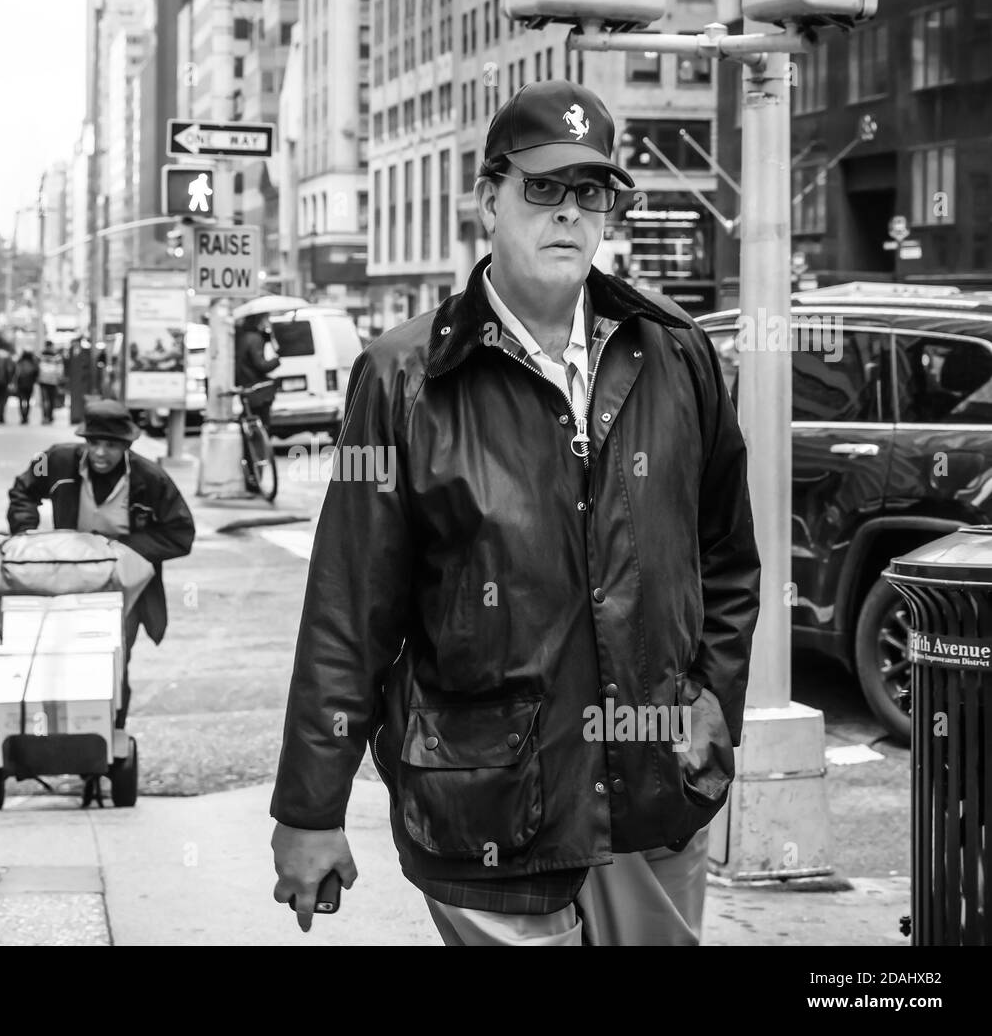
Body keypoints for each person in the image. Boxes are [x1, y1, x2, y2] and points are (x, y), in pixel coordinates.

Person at [268, 79, 761, 944]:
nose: (569, 212)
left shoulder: (677, 352)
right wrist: (311, 809)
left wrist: (708, 711)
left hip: (654, 797)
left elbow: (725, 557)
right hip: (483, 808)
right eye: (543, 187)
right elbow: (348, 607)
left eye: (591, 192)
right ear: (487, 198)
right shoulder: (398, 379)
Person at [7, 399, 195, 726]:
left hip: (124, 587)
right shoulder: (55, 460)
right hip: (65, 578)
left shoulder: (151, 479)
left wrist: (117, 549)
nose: (100, 453)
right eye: (94, 443)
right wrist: (27, 533)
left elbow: (180, 532)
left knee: (112, 660)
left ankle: (110, 734)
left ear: (126, 446)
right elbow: (23, 490)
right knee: (63, 655)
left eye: (111, 445)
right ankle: (69, 729)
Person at [234, 316, 280, 432]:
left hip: (246, 384)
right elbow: (261, 364)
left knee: (250, 418)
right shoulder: (254, 338)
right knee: (261, 422)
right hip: (256, 388)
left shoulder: (244, 336)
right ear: (260, 321)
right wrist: (277, 360)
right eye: (266, 318)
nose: (268, 321)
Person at [37, 340, 64, 424]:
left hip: (43, 380)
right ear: (52, 346)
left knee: (45, 399)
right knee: (51, 399)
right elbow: (60, 368)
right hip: (53, 380)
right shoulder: (57, 356)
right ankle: (50, 416)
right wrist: (59, 378)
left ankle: (45, 416)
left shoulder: (41, 355)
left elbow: (37, 367)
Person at [14, 349, 39, 425]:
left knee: (21, 401)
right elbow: (36, 373)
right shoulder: (33, 364)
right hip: (29, 385)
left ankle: (22, 417)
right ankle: (26, 417)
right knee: (28, 401)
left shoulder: (20, 363)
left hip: (21, 384)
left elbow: (15, 373)